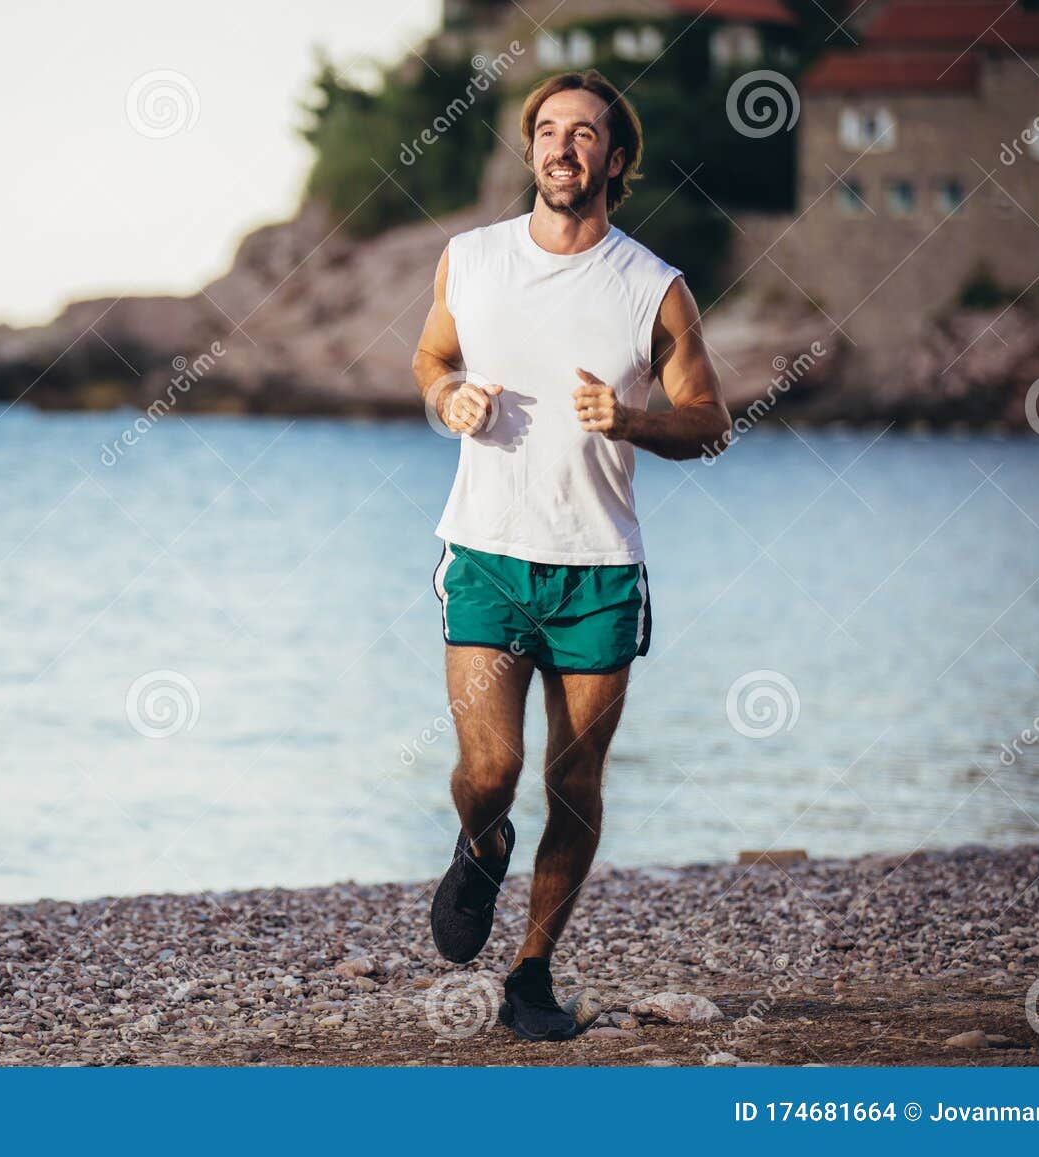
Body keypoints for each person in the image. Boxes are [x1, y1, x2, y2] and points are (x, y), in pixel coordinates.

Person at [411, 69, 731, 1042]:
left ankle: (531, 969)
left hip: (596, 568)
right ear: (529, 148)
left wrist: (630, 418)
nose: (562, 147)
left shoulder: (652, 285)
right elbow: (432, 359)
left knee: (575, 780)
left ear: (615, 158)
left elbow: (711, 421)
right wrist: (446, 399)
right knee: (491, 766)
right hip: (484, 553)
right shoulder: (469, 257)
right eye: (547, 130)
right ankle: (478, 843)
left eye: (584, 133)